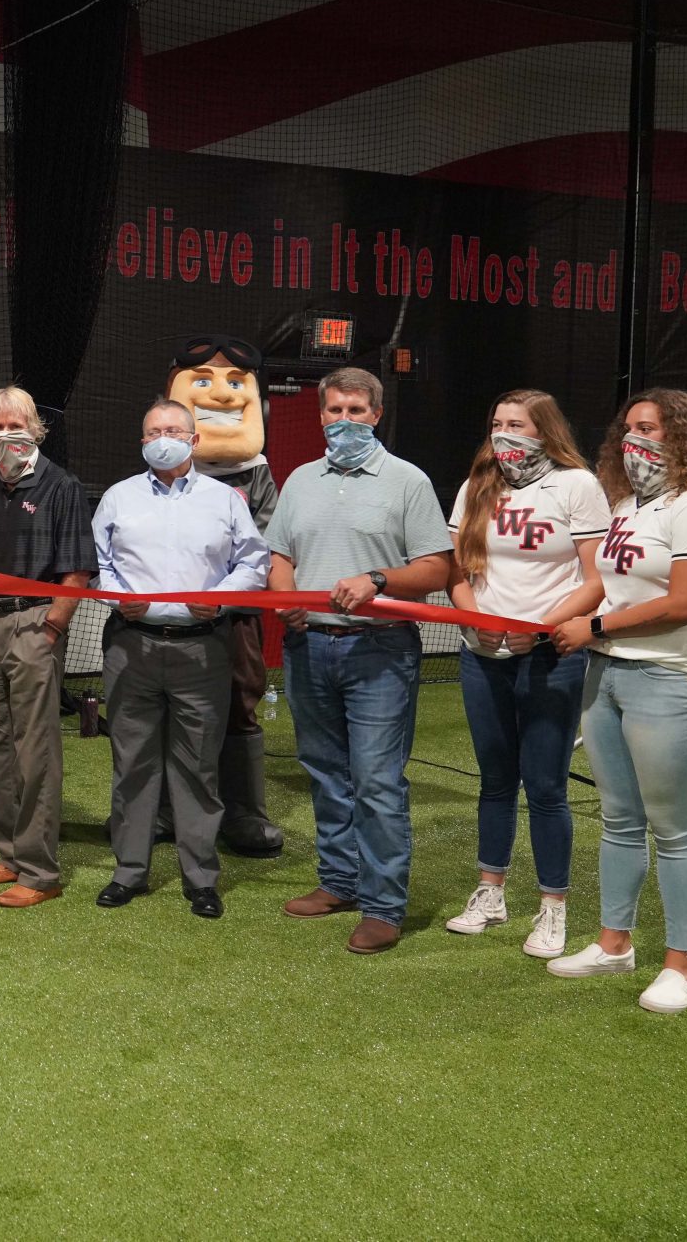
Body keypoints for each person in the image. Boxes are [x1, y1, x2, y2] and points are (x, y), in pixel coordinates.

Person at [546, 389, 687, 1014]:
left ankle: (681, 965)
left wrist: (594, 628)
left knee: (675, 828)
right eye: (629, 428)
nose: (635, 442)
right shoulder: (628, 505)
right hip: (610, 676)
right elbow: (612, 586)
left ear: (684, 437)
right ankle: (613, 944)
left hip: (673, 679)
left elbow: (682, 604)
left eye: (651, 429)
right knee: (620, 819)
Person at [267, 367, 451, 955]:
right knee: (325, 772)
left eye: (356, 411)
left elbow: (437, 569)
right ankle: (340, 883)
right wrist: (285, 601)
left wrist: (377, 580)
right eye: (335, 411)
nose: (344, 421)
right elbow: (279, 555)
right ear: (320, 416)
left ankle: (383, 906)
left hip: (379, 648)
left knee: (376, 781)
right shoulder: (298, 479)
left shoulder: (408, 482)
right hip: (309, 647)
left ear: (376, 415)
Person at [443, 390, 609, 959]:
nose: (505, 434)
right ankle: (491, 893)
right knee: (494, 780)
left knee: (544, 785)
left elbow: (595, 580)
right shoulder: (475, 486)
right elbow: (457, 571)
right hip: (482, 653)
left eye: (518, 425)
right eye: (497, 424)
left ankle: (553, 908)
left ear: (546, 431)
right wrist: (477, 619)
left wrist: (537, 627)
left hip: (549, 656)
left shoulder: (577, 486)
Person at [90, 400, 268, 918]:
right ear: (141, 440)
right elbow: (97, 563)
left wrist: (224, 596)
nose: (161, 438)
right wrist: (116, 594)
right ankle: (129, 871)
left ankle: (201, 877)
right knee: (132, 763)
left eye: (171, 430)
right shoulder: (118, 498)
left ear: (193, 440)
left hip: (203, 646)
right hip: (131, 643)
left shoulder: (226, 499)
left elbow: (253, 563)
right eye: (152, 431)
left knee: (197, 765)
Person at [0, 386, 93, 908]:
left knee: (34, 749)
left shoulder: (62, 485)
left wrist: (54, 626)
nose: (4, 434)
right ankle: (9, 855)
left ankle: (40, 873)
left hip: (38, 623)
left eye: (14, 424)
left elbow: (78, 569)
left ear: (35, 427)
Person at [163, 335, 286, 857]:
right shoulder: (160, 465)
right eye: (204, 381)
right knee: (168, 709)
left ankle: (245, 814)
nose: (219, 395)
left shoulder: (255, 474)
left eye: (235, 382)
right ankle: (165, 812)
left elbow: (262, 543)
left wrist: (223, 593)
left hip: (234, 619)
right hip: (171, 618)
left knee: (239, 705)